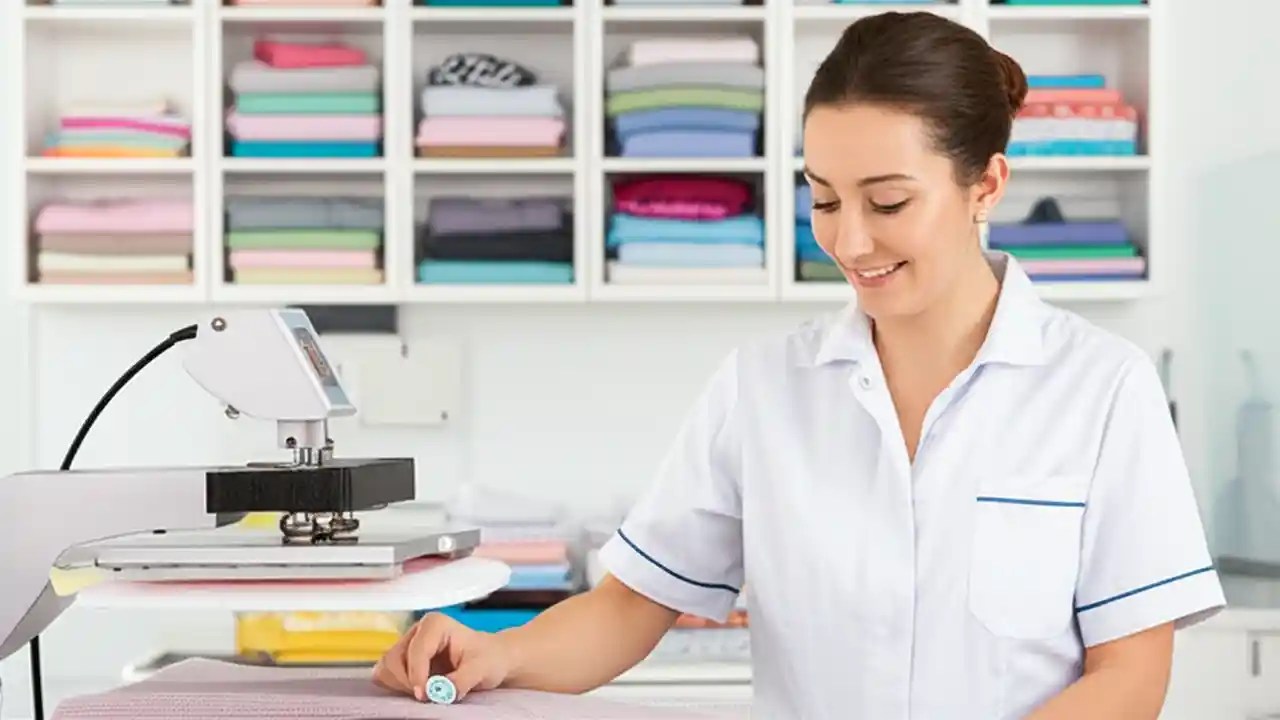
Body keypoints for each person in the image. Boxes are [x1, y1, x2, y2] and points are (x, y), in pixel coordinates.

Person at [373, 11, 1225, 719]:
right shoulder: (764, 387)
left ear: (987, 186)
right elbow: (632, 605)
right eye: (823, 198)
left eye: (888, 202)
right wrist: (494, 653)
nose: (850, 240)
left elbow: (1129, 676)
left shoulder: (1101, 387)